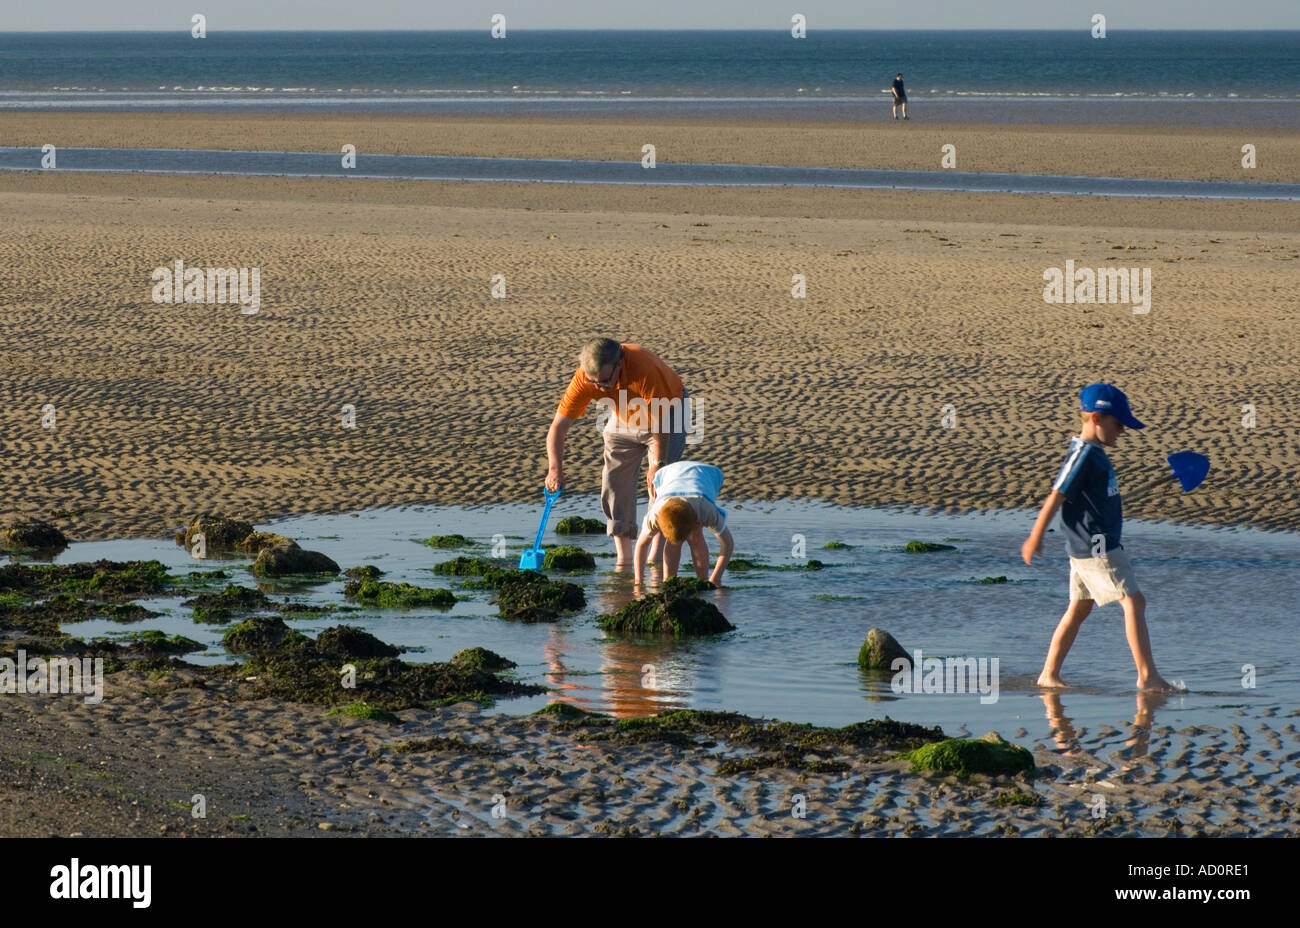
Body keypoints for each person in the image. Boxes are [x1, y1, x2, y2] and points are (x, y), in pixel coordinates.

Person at [1021, 383, 1176, 692]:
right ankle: (1147, 676)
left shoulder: (1095, 454)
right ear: (1095, 418)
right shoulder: (1083, 454)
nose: (1122, 430)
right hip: (1097, 547)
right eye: (1118, 424)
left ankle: (1049, 674)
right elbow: (1056, 495)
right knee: (1134, 601)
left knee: (1078, 608)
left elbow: (1089, 499)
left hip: (1084, 548)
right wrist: (1035, 536)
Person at [545, 339, 690, 566]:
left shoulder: (643, 368)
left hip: (668, 412)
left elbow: (659, 423)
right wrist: (555, 469)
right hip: (624, 414)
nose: (599, 388)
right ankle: (624, 558)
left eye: (605, 382)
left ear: (619, 363)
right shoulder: (584, 379)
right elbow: (558, 427)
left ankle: (653, 557)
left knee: (660, 486)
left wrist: (657, 464)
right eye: (594, 384)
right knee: (613, 481)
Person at [633, 460, 734, 587]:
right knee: (674, 540)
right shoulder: (656, 514)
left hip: (705, 474)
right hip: (667, 474)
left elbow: (728, 544)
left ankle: (702, 579)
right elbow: (641, 545)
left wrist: (715, 578)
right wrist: (638, 582)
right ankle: (668, 581)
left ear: (696, 520)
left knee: (695, 536)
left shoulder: (705, 509)